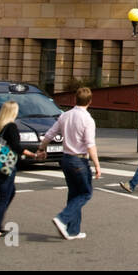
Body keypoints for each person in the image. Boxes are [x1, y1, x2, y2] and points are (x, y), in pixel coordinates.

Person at [36, 86, 101, 241]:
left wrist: (41, 148)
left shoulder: (64, 116)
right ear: (90, 101)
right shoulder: (88, 120)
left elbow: (50, 133)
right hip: (79, 159)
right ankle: (62, 218)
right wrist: (97, 165)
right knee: (86, 193)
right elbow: (90, 144)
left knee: (74, 194)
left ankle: (73, 230)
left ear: (74, 99)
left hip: (65, 159)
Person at [0, 100, 41, 238]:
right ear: (13, 112)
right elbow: (17, 147)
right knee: (3, 198)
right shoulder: (11, 127)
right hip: (6, 166)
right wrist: (33, 155)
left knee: (10, 193)